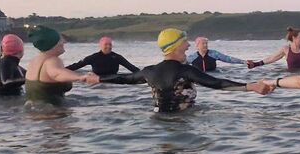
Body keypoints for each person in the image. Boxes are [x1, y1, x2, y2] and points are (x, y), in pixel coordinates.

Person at [95, 29, 271, 112]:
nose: (188, 45)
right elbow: (216, 83)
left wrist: (97, 79)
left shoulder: (149, 71)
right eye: (185, 42)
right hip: (184, 119)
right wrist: (252, 86)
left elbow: (125, 79)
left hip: (157, 121)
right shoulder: (185, 71)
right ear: (176, 46)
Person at [24, 27, 99, 105]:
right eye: (60, 40)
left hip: (33, 110)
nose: (64, 42)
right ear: (52, 43)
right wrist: (81, 77)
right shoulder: (52, 60)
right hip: (53, 111)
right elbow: (57, 73)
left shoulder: (34, 61)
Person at [66, 36, 140, 75]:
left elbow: (132, 68)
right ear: (101, 46)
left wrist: (143, 74)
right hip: (97, 82)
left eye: (110, 44)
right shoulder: (94, 57)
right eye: (106, 44)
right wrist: (62, 70)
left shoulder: (117, 57)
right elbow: (77, 66)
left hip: (114, 83)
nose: (108, 46)